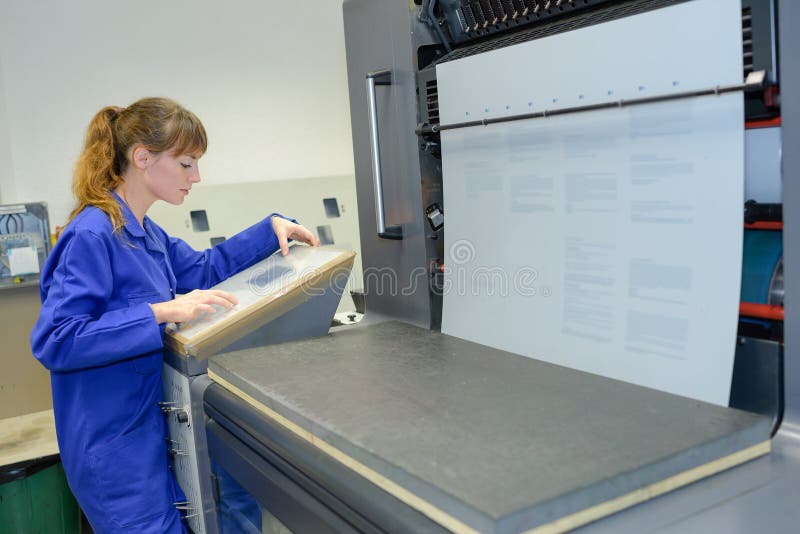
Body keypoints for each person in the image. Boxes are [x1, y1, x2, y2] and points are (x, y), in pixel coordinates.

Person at [30, 97, 319, 532]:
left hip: (144, 438)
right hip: (112, 452)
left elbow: (204, 269)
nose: (196, 176)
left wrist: (270, 228)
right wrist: (159, 313)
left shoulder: (145, 232)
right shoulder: (92, 234)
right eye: (186, 163)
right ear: (143, 158)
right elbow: (57, 339)